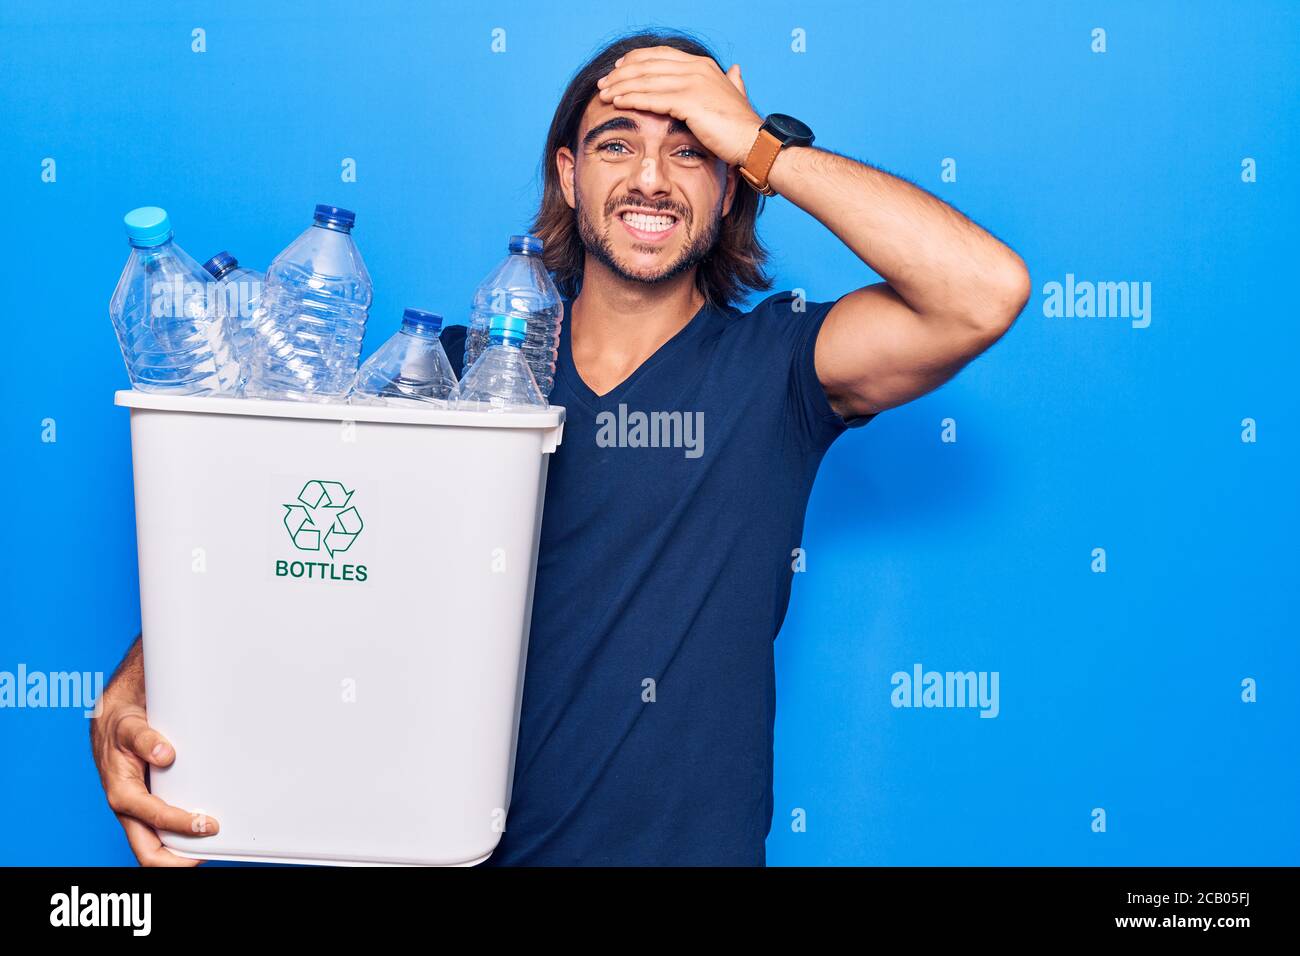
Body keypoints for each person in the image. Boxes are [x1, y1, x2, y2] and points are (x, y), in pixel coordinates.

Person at [91, 29, 1030, 866]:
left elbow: (983, 291)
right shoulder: (450, 373)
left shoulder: (780, 365)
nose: (653, 179)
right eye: (617, 144)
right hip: (442, 850)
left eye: (691, 151)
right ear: (569, 175)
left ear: (730, 183)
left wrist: (757, 141)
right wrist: (135, 688)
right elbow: (289, 552)